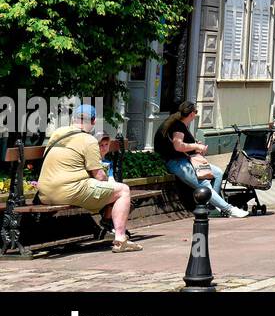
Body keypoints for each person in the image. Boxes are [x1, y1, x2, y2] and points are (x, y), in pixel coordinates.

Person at [37, 105, 141, 252]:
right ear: (93, 122)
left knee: (109, 190)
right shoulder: (89, 140)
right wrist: (107, 180)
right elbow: (98, 175)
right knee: (123, 190)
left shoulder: (57, 133)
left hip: (45, 192)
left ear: (73, 119)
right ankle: (120, 239)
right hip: (69, 191)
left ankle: (109, 225)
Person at [157, 101, 248, 216]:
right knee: (204, 184)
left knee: (217, 173)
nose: (196, 114)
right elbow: (178, 145)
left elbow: (182, 146)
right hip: (177, 163)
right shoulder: (178, 126)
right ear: (191, 114)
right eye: (196, 111)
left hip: (185, 161)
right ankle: (228, 209)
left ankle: (211, 207)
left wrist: (196, 147)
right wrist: (197, 146)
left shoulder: (181, 125)